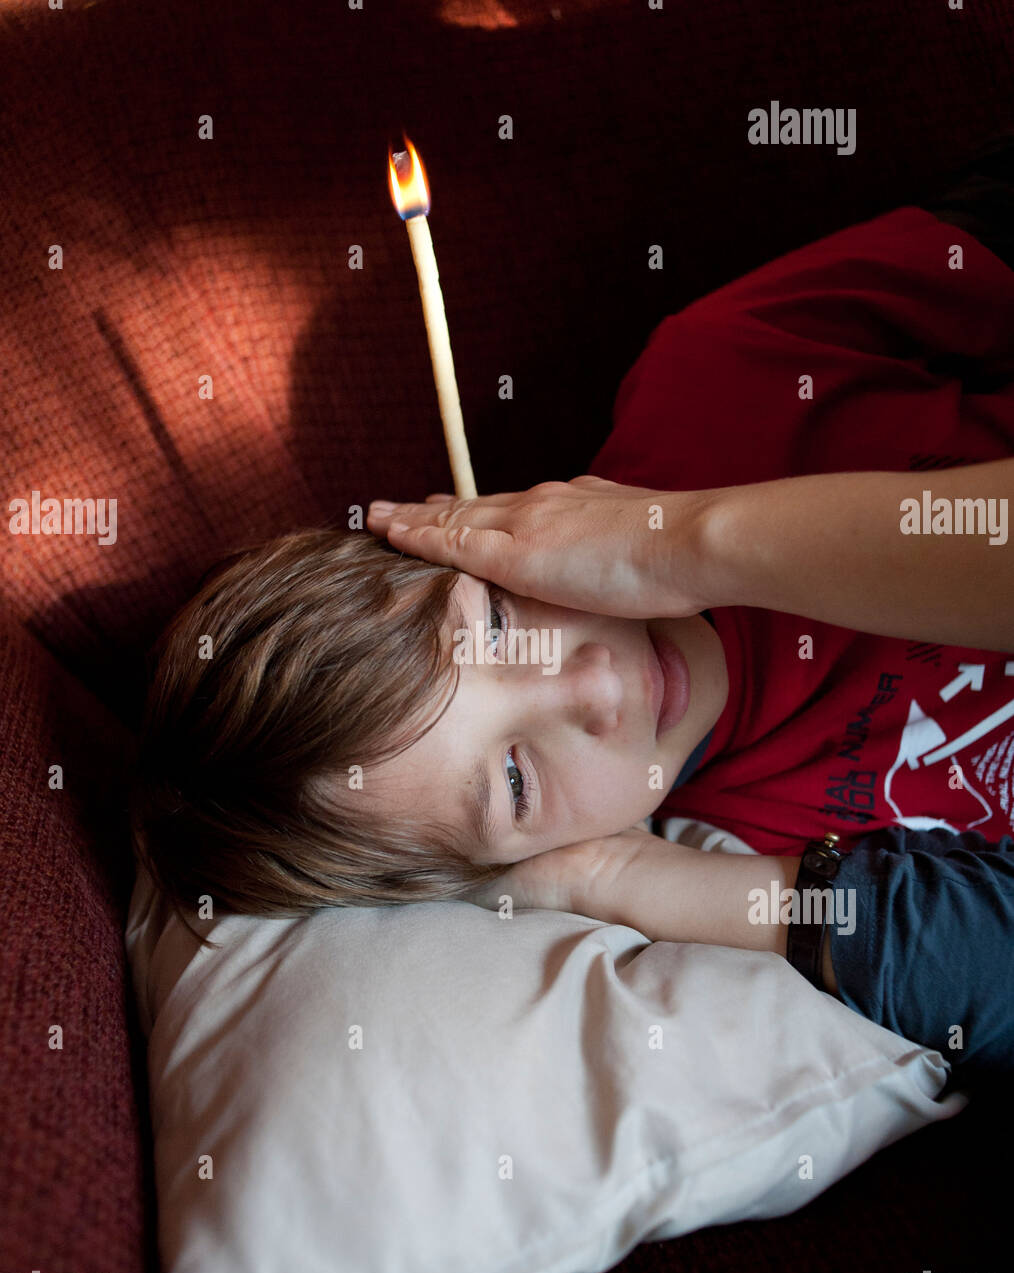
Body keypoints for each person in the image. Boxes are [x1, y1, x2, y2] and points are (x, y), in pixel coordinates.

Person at [131, 141, 1014, 1083]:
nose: (594, 686)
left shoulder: (723, 378)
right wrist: (619, 880)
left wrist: (679, 543)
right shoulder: (757, 850)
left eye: (499, 625)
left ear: (469, 529)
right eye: (516, 782)